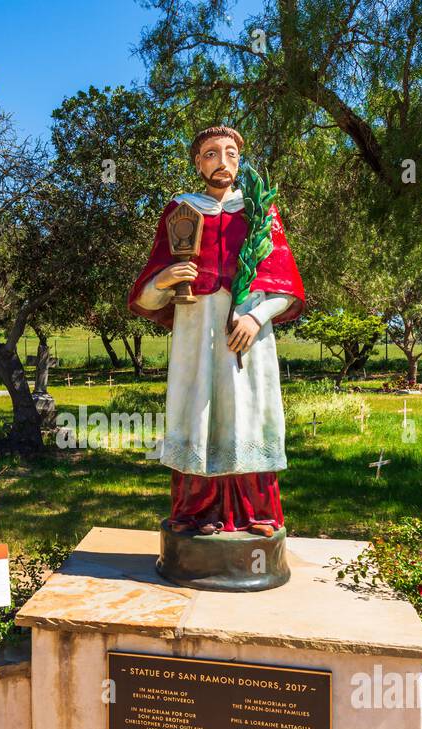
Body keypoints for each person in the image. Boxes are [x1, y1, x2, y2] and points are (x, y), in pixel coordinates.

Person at [128, 125, 305, 536]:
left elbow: (287, 287)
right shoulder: (180, 210)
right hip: (196, 332)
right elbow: (148, 298)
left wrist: (256, 317)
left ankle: (257, 513)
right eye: (211, 153)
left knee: (248, 414)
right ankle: (196, 512)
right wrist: (166, 278)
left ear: (239, 162)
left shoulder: (260, 210)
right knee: (198, 415)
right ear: (198, 163)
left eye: (229, 153)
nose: (221, 162)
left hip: (248, 333)